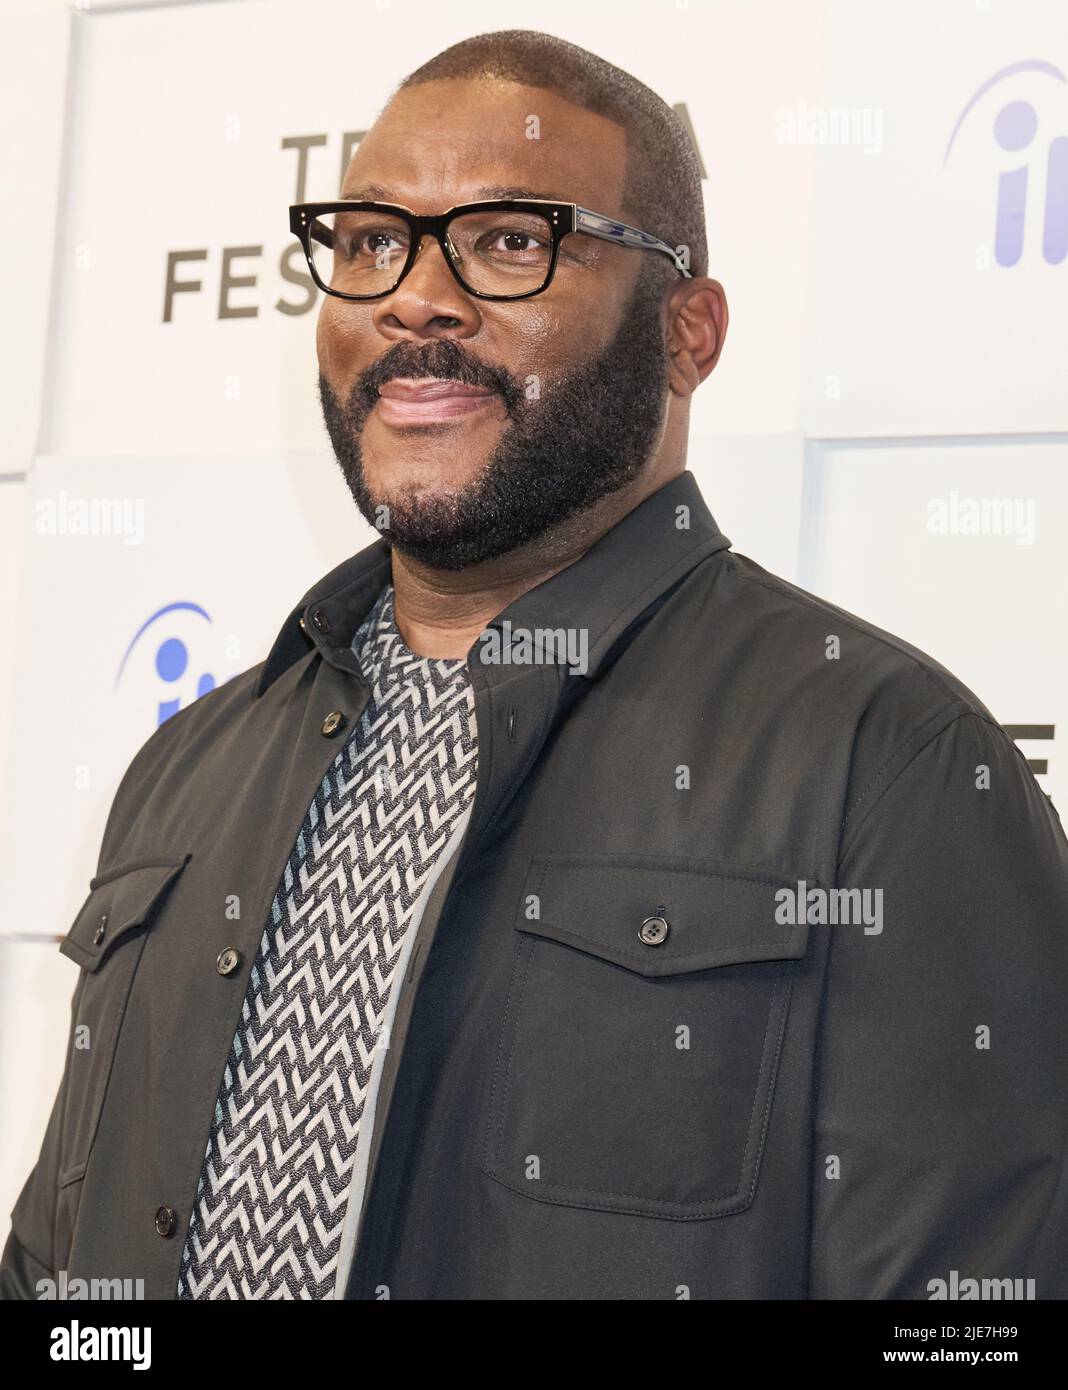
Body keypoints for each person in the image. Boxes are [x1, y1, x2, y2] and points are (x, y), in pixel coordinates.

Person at [3, 28, 1066, 1301]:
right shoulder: (188, 764)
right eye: (369, 242)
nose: (415, 298)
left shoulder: (892, 767)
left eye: (511, 242)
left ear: (688, 333)